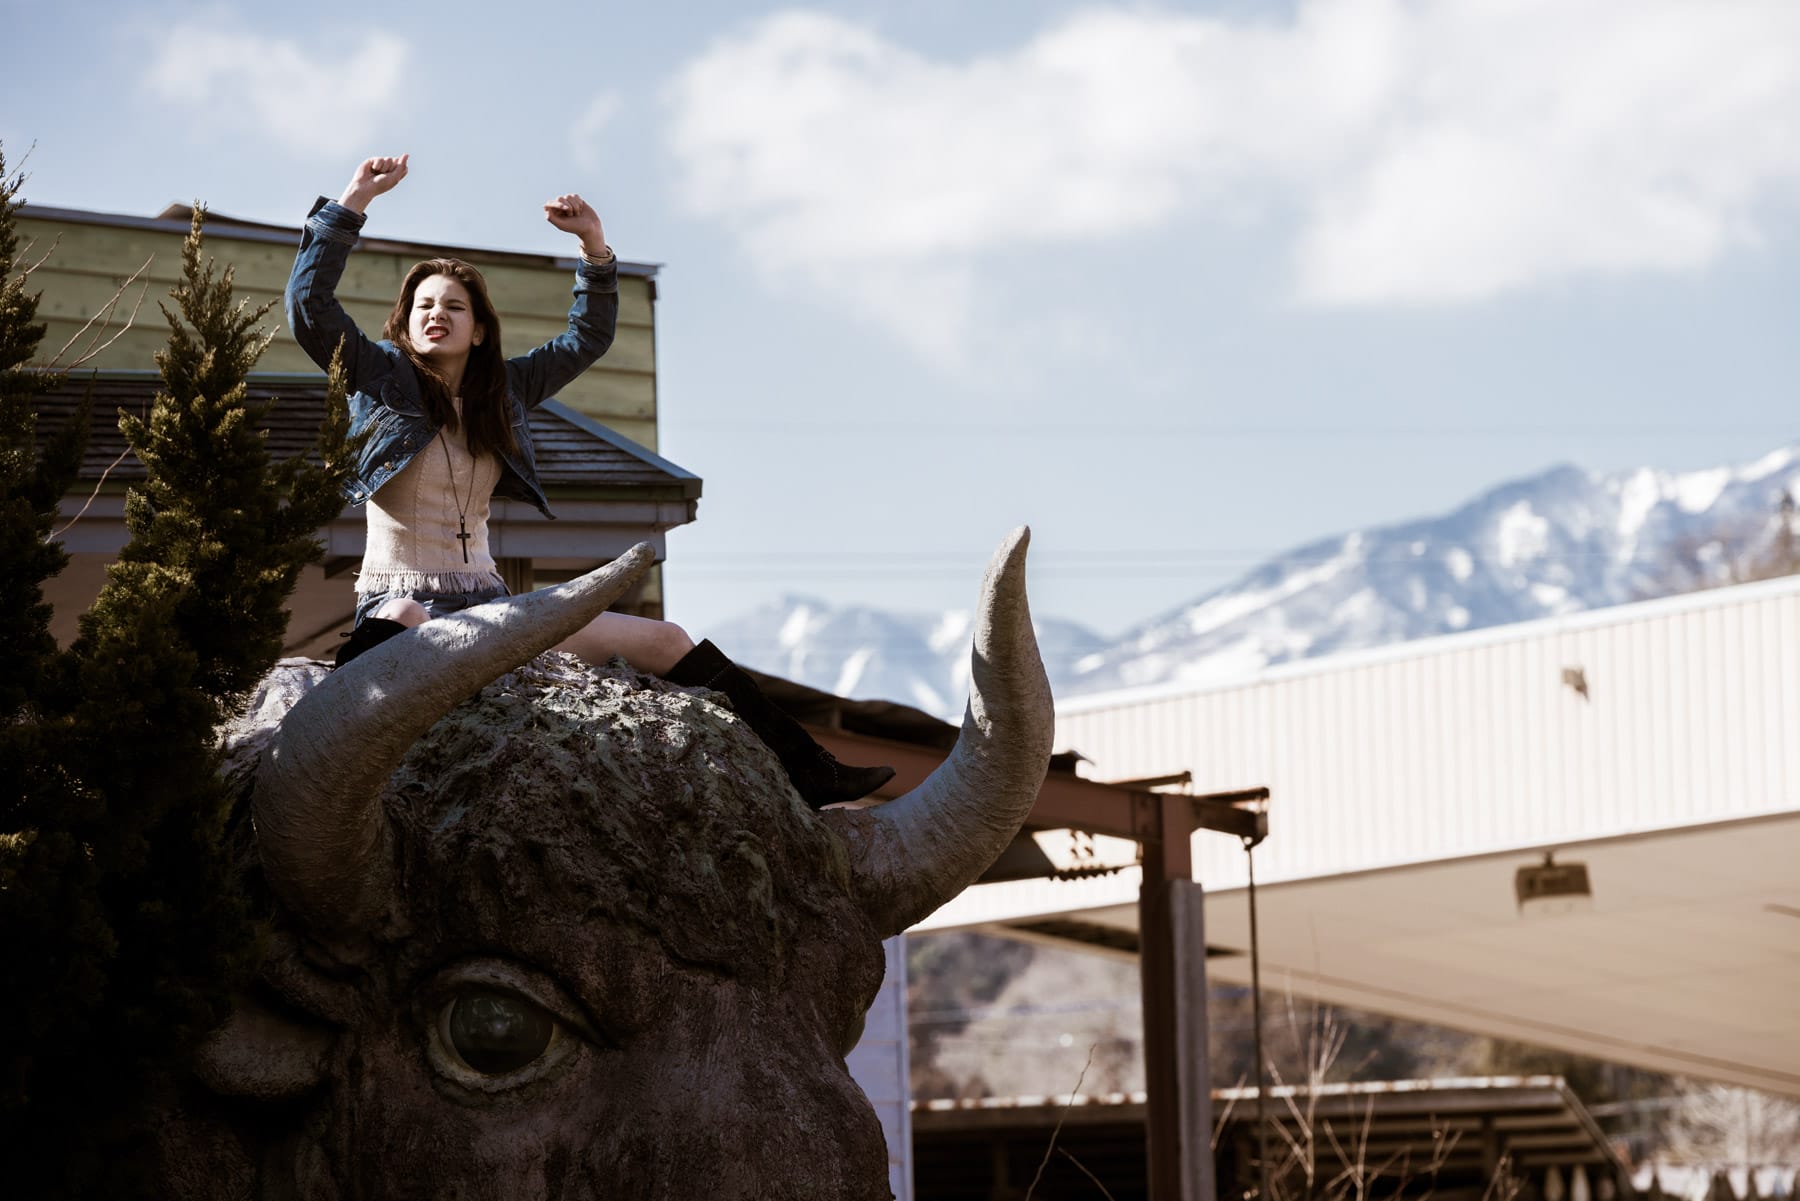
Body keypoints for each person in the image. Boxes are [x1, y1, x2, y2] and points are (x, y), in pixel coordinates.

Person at [285, 154, 893, 808]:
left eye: (454, 305)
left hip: (490, 606)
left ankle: (812, 770)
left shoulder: (506, 391)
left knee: (665, 638)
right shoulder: (378, 380)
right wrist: (354, 200)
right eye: (424, 305)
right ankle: (313, 755)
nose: (438, 314)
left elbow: (588, 337)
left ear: (480, 327)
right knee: (403, 620)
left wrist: (594, 248)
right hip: (399, 599)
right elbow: (309, 307)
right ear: (402, 324)